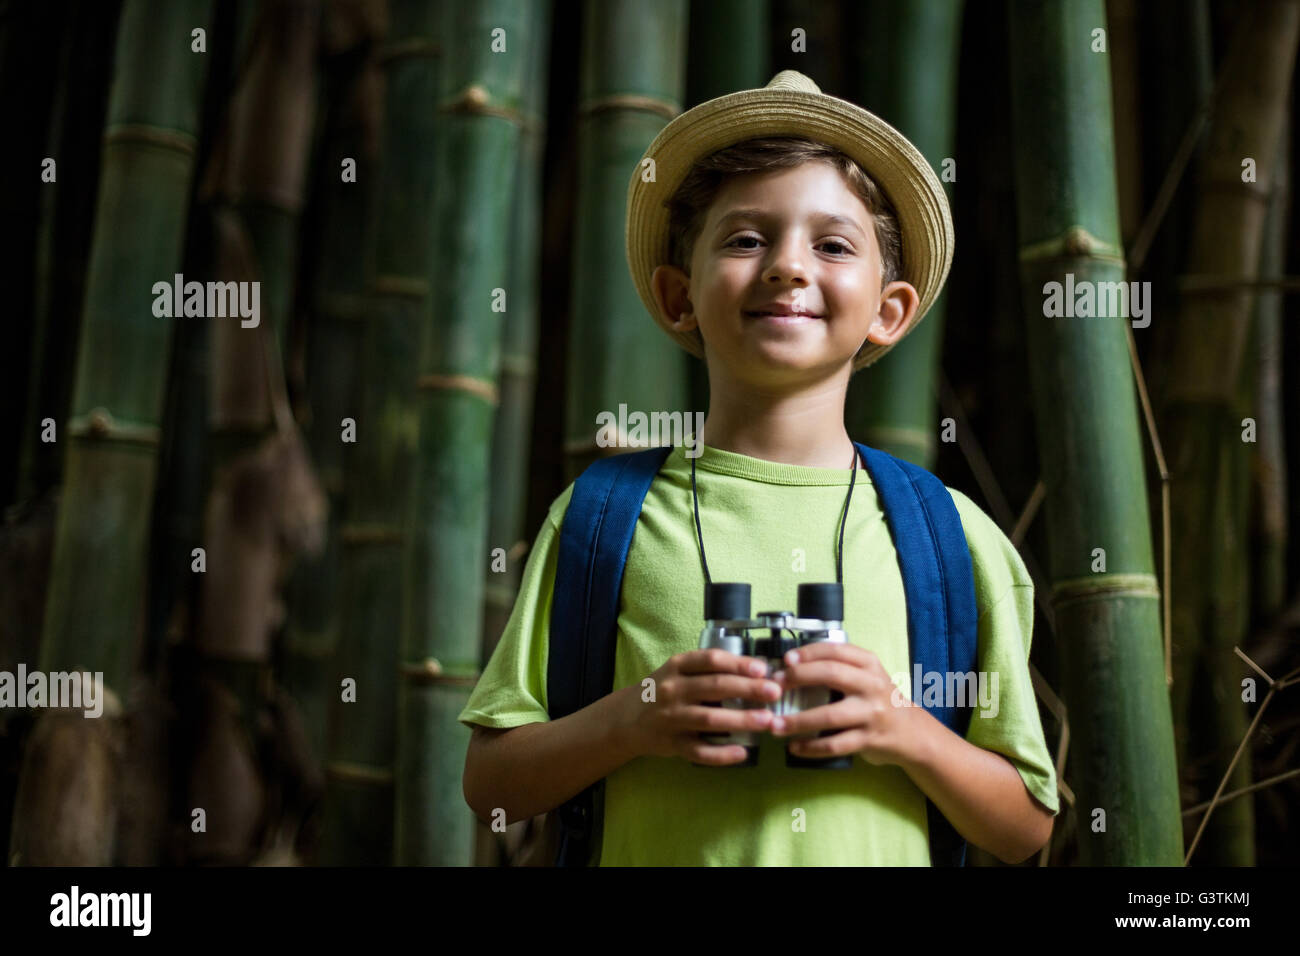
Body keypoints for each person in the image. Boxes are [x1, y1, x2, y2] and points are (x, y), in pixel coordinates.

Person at [460, 70, 1058, 865]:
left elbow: (1025, 828)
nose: (787, 266)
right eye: (745, 238)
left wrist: (900, 728)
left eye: (833, 245)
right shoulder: (605, 517)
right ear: (679, 295)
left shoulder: (951, 538)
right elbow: (492, 787)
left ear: (890, 310)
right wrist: (636, 717)